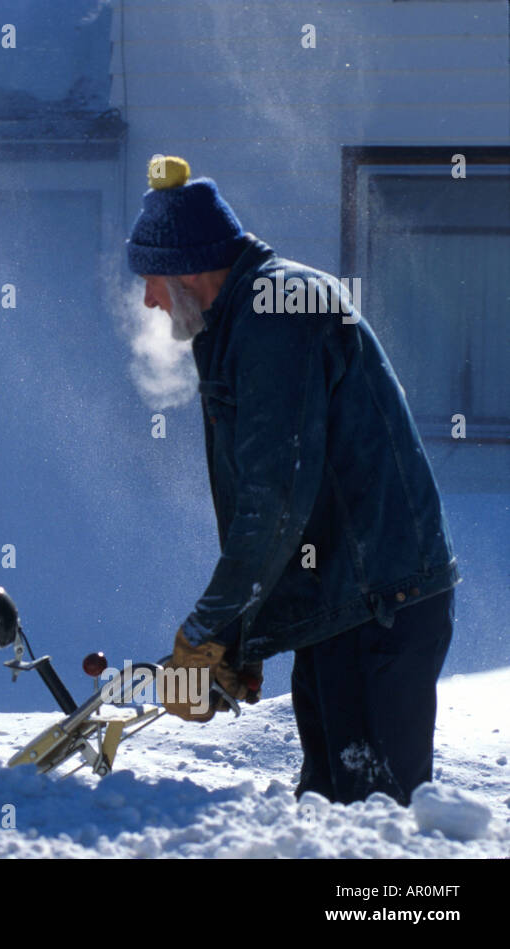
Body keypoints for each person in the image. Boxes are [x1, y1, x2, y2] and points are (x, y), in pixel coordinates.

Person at [127, 155, 459, 806]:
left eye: (153, 279)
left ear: (190, 268)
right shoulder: (240, 321)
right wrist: (242, 641)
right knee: (327, 806)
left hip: (380, 609)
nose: (148, 299)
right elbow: (292, 514)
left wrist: (207, 632)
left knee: (375, 821)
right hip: (344, 608)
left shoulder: (274, 317)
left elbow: (274, 503)